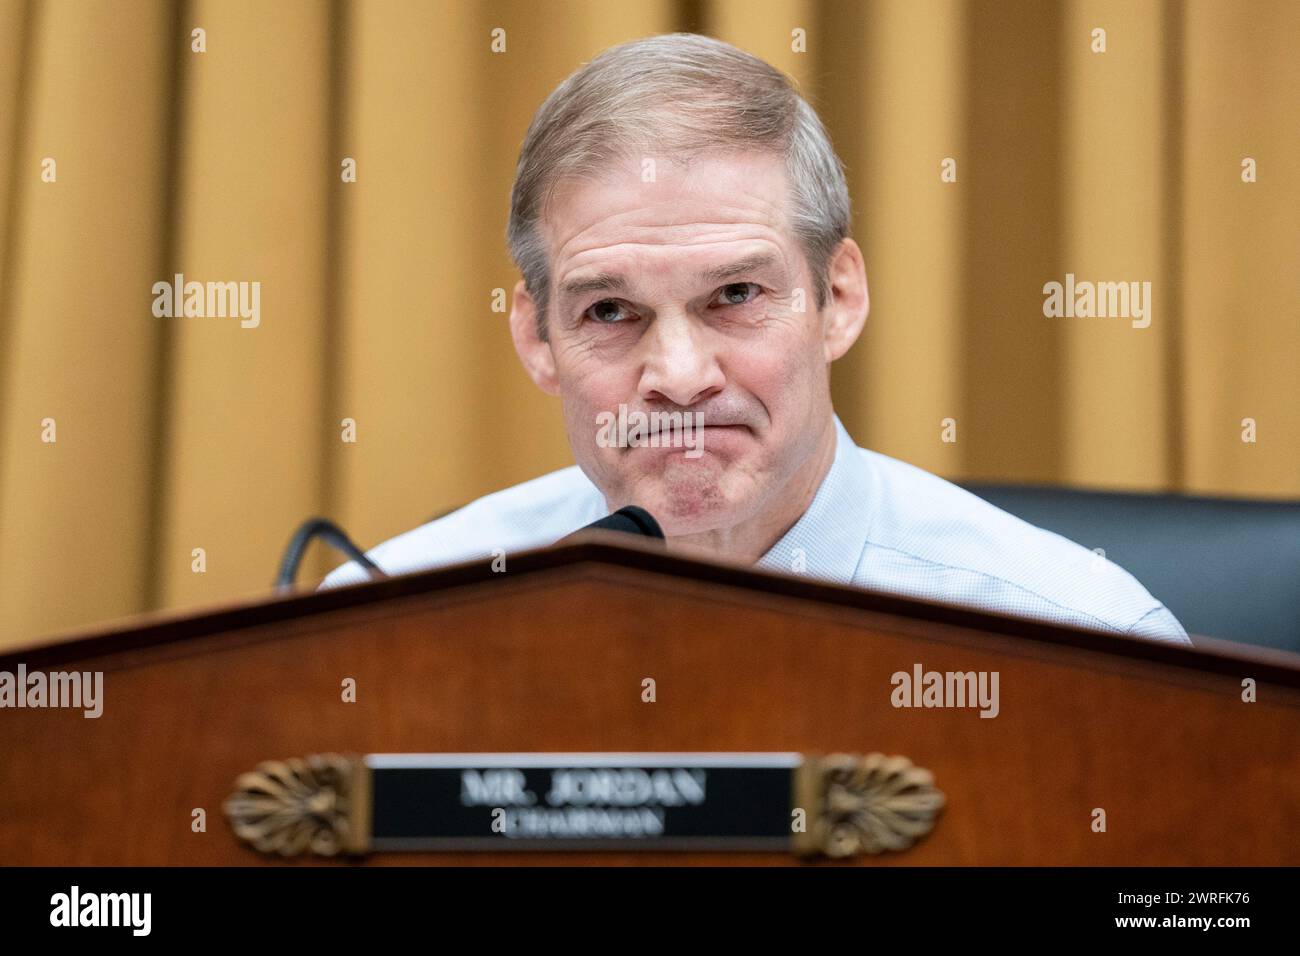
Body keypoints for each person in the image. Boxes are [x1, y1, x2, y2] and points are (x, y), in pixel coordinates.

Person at [323, 33, 1189, 644]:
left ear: (837, 298)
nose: (678, 375)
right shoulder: (391, 624)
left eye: (734, 295)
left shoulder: (1078, 638)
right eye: (610, 312)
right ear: (537, 339)